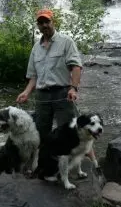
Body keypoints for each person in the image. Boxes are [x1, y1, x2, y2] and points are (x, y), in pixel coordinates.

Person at [16, 8, 82, 143]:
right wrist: (26, 92)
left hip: (63, 94)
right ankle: (45, 162)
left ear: (53, 22)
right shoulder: (35, 48)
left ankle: (75, 162)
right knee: (40, 132)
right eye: (41, 22)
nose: (44, 25)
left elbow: (76, 66)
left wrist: (73, 88)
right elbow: (34, 76)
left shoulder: (66, 42)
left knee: (69, 130)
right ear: (37, 26)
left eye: (47, 21)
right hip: (42, 96)